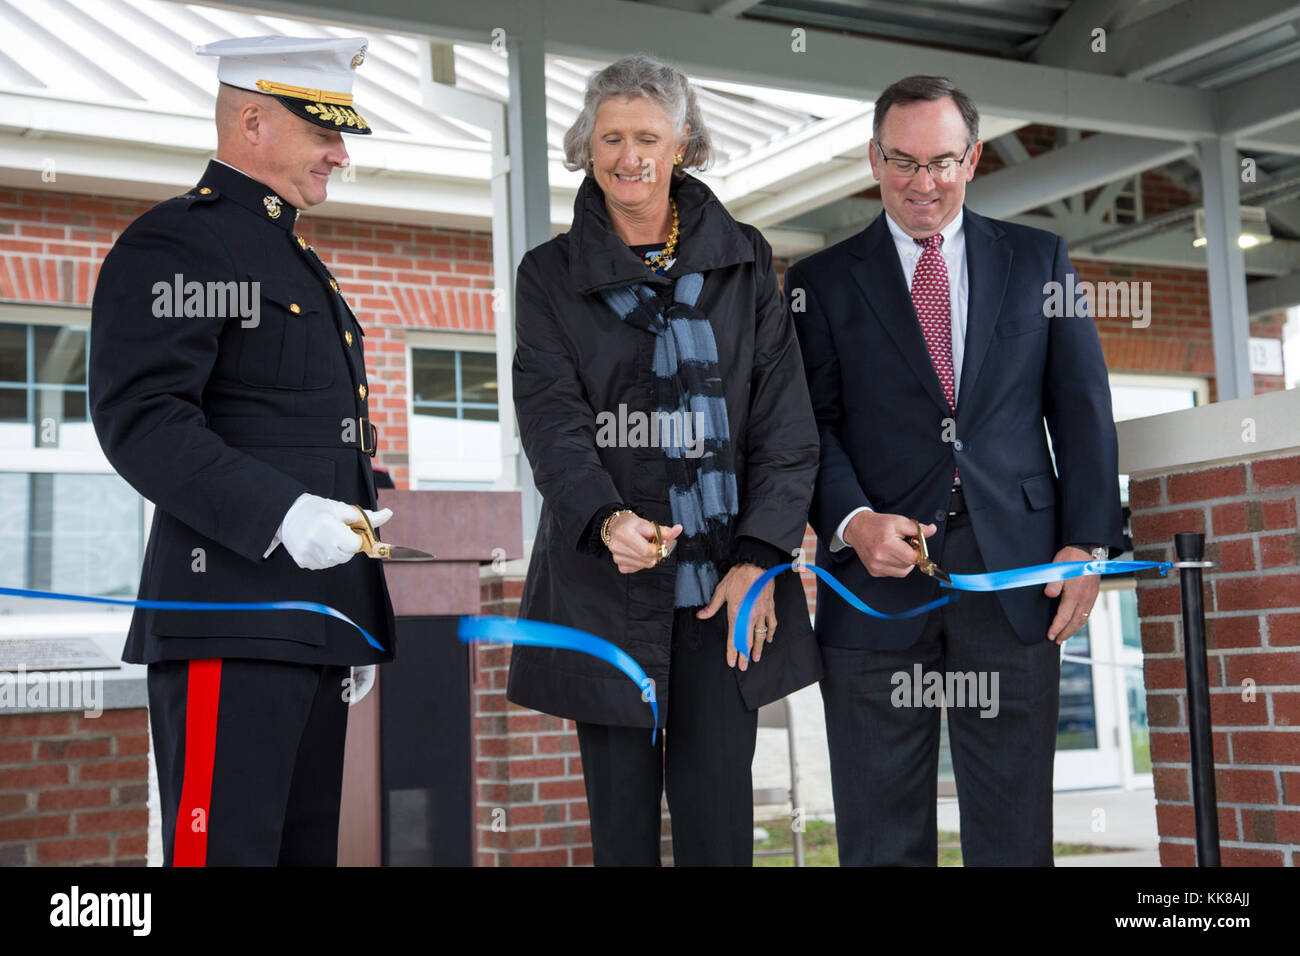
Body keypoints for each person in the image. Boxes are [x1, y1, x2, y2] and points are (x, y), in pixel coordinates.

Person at [789, 75, 1124, 866]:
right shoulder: (819, 283)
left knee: (1013, 833)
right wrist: (851, 521)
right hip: (873, 583)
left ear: (972, 160)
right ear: (874, 159)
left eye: (942, 161)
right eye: (902, 161)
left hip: (1015, 579)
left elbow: (1082, 414)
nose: (922, 183)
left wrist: (1087, 545)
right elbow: (806, 430)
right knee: (878, 833)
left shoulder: (1040, 258)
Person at [506, 53, 821, 866]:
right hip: (606, 588)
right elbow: (552, 422)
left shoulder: (745, 258)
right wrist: (606, 516)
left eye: (648, 135)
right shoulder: (547, 276)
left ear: (683, 141)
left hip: (726, 593)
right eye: (610, 137)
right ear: (586, 145)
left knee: (719, 829)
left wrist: (759, 561)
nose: (629, 156)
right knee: (622, 837)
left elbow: (784, 428)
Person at [89, 35, 395, 866]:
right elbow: (142, 418)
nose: (340, 152)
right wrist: (285, 514)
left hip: (311, 621)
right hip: (227, 615)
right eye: (324, 132)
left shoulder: (291, 256)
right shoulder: (180, 243)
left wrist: (351, 587)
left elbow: (285, 429)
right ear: (252, 121)